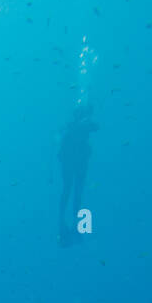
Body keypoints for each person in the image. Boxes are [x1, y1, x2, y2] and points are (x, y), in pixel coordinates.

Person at [58, 103, 98, 246]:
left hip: (78, 163)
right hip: (72, 163)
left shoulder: (81, 125)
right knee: (70, 190)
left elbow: (95, 127)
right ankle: (65, 219)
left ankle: (71, 220)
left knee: (74, 191)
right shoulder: (72, 126)